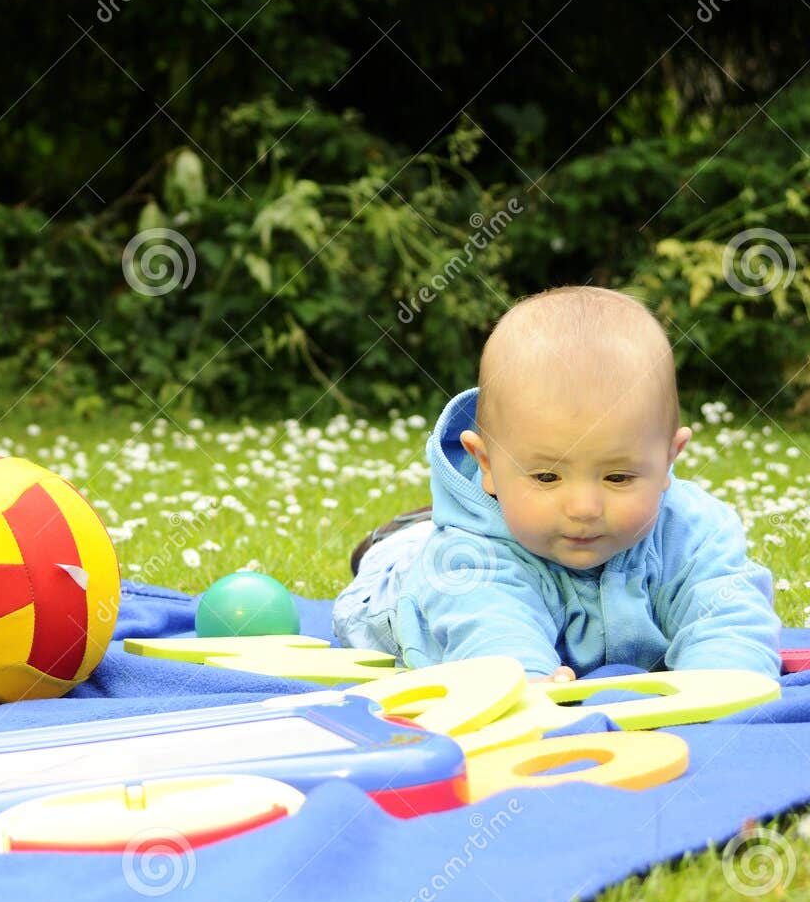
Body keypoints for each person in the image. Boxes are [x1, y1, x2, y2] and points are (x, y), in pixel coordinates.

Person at [334, 286, 782, 683]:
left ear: (669, 458)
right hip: (399, 592)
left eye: (618, 477)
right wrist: (523, 682)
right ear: (486, 464)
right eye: (547, 476)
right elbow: (489, 626)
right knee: (415, 558)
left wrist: (724, 676)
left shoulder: (696, 530)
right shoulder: (465, 559)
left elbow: (729, 612)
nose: (584, 507)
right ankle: (396, 538)